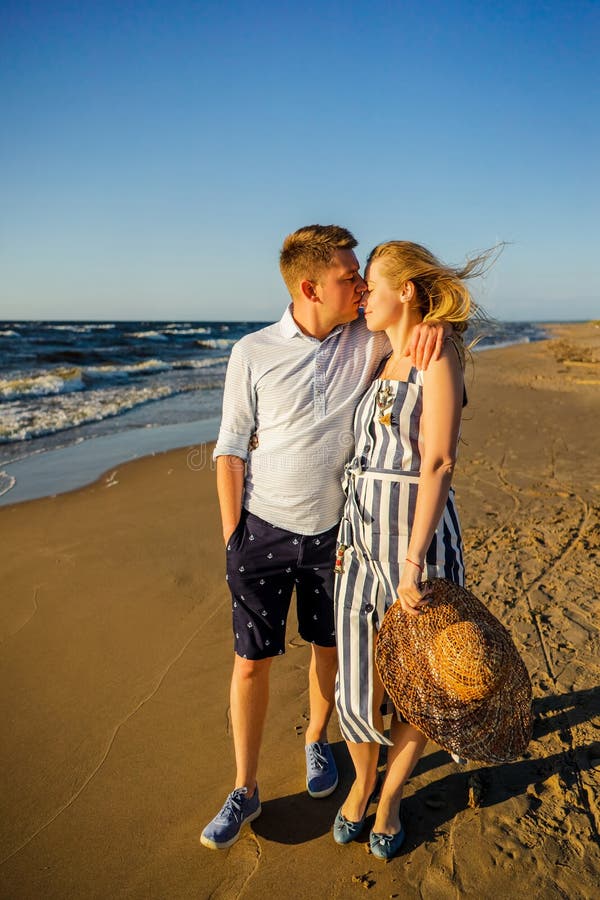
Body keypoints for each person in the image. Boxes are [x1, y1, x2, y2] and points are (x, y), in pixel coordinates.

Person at [200, 226, 447, 851]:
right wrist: (234, 539)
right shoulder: (251, 352)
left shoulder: (364, 337)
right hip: (261, 530)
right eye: (348, 276)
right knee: (251, 662)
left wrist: (436, 327)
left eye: (363, 274)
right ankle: (245, 787)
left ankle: (317, 741)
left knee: (327, 650)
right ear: (310, 286)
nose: (361, 284)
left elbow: (409, 323)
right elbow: (230, 449)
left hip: (338, 537)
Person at [332, 239, 490, 860]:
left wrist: (413, 559)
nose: (363, 297)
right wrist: (348, 537)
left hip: (412, 543)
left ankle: (390, 797)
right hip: (360, 536)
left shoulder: (437, 352)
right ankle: (362, 780)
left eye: (371, 286)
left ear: (405, 289)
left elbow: (440, 460)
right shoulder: (381, 353)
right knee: (360, 675)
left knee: (421, 681)